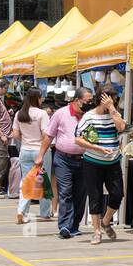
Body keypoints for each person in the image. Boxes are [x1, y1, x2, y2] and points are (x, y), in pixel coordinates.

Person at [75, 85, 126, 245]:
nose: (114, 101)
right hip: (93, 162)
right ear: (102, 99)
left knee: (117, 194)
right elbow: (78, 139)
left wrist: (111, 108)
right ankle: (97, 231)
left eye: (114, 99)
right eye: (111, 99)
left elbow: (121, 128)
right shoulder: (89, 116)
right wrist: (97, 147)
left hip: (113, 161)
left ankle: (106, 221)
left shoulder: (114, 113)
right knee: (95, 196)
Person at [44, 87, 93, 239]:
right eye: (87, 101)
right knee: (65, 191)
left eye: (91, 101)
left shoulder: (90, 116)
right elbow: (49, 136)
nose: (89, 104)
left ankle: (74, 225)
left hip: (84, 160)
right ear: (76, 100)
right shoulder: (61, 113)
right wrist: (40, 156)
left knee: (80, 193)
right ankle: (64, 225)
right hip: (63, 159)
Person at [13, 87, 53, 224]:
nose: (42, 99)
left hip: (25, 150)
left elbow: (15, 135)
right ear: (37, 98)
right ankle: (45, 213)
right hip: (41, 151)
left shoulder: (19, 113)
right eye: (41, 97)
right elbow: (45, 135)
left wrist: (26, 140)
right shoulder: (42, 114)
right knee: (44, 182)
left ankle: (21, 211)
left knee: (26, 182)